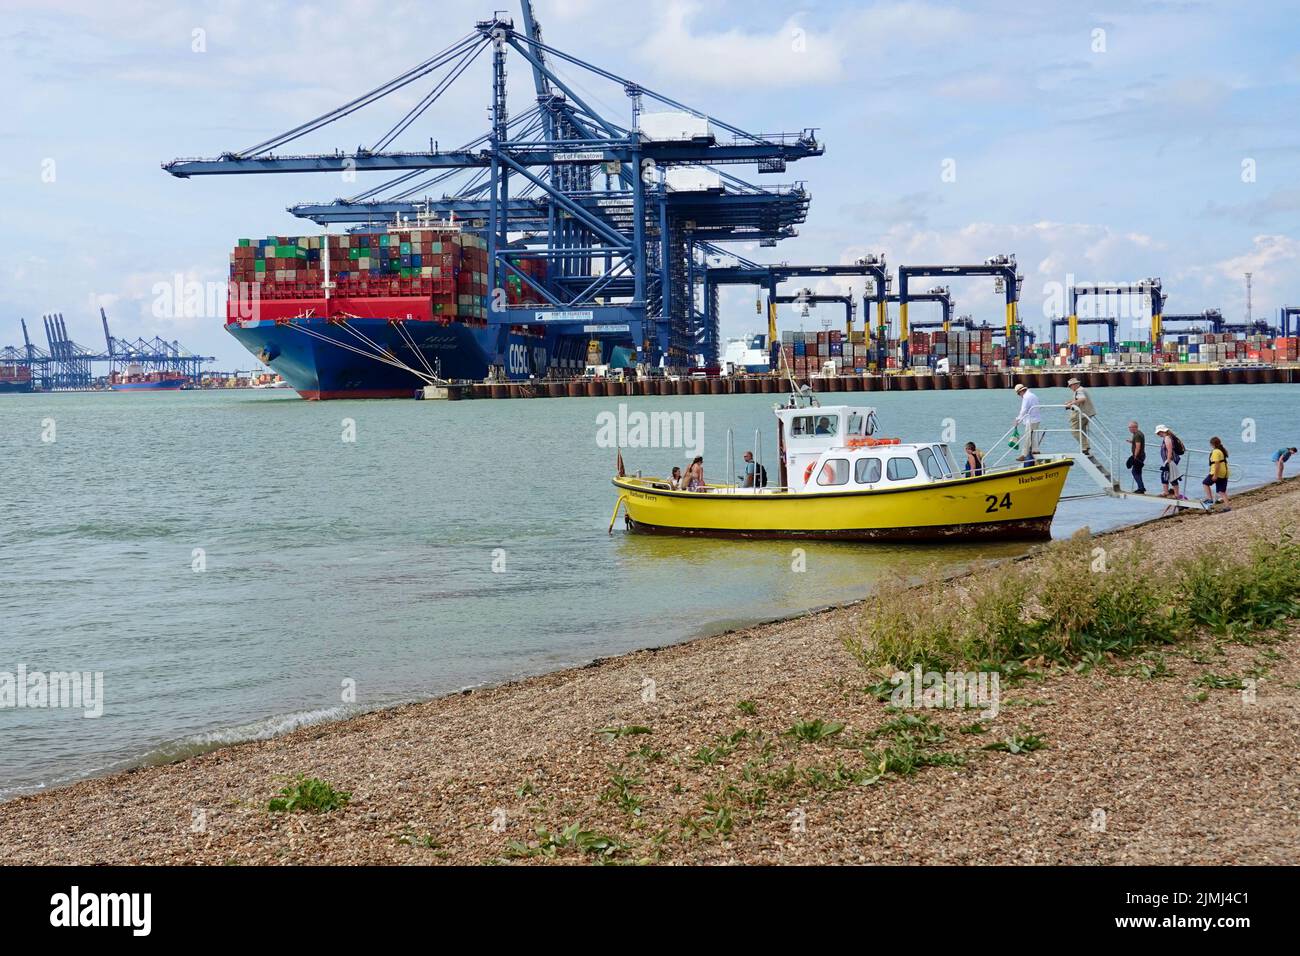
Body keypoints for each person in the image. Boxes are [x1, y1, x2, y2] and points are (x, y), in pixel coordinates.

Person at [1063, 377, 1097, 455]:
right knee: (1082, 430)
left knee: (1075, 430)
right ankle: (1085, 447)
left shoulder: (1079, 390)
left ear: (1075, 385)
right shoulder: (1082, 389)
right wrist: (1070, 402)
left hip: (1082, 414)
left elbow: (1082, 399)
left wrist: (1071, 404)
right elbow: (1079, 399)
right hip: (1087, 413)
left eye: (1071, 386)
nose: (1070, 388)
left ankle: (1085, 446)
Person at [1011, 383, 1042, 461]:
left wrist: (1018, 420)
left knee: (1027, 437)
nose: (1019, 396)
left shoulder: (1026, 397)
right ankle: (1036, 451)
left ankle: (1024, 454)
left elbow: (1023, 410)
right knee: (1033, 436)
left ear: (1020, 392)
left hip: (1031, 420)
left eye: (1018, 394)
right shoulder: (1033, 395)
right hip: (1036, 419)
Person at [1155, 424, 1184, 498]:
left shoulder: (1167, 438)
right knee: (1169, 476)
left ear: (1161, 431)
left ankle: (1169, 493)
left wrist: (1168, 461)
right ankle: (1169, 492)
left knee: (1168, 476)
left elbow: (1169, 450)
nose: (1158, 434)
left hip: (1170, 460)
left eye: (1158, 433)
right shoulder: (1169, 437)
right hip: (1171, 460)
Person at [1201, 436, 1230, 509]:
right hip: (1225, 473)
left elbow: (1217, 464)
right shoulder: (1221, 451)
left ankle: (1210, 499)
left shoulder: (1215, 451)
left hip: (1217, 473)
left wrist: (1215, 475)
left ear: (1212, 444)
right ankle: (1227, 507)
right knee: (1221, 491)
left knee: (1205, 483)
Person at [1126, 421, 1147, 494]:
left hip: (1139, 456)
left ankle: (1141, 488)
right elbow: (1138, 443)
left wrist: (1134, 456)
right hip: (1141, 455)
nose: (1129, 429)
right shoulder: (1138, 433)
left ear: (1135, 427)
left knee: (1134, 472)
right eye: (1129, 427)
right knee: (1138, 472)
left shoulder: (1137, 435)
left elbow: (1138, 446)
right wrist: (1132, 442)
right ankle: (1141, 488)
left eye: (1130, 427)